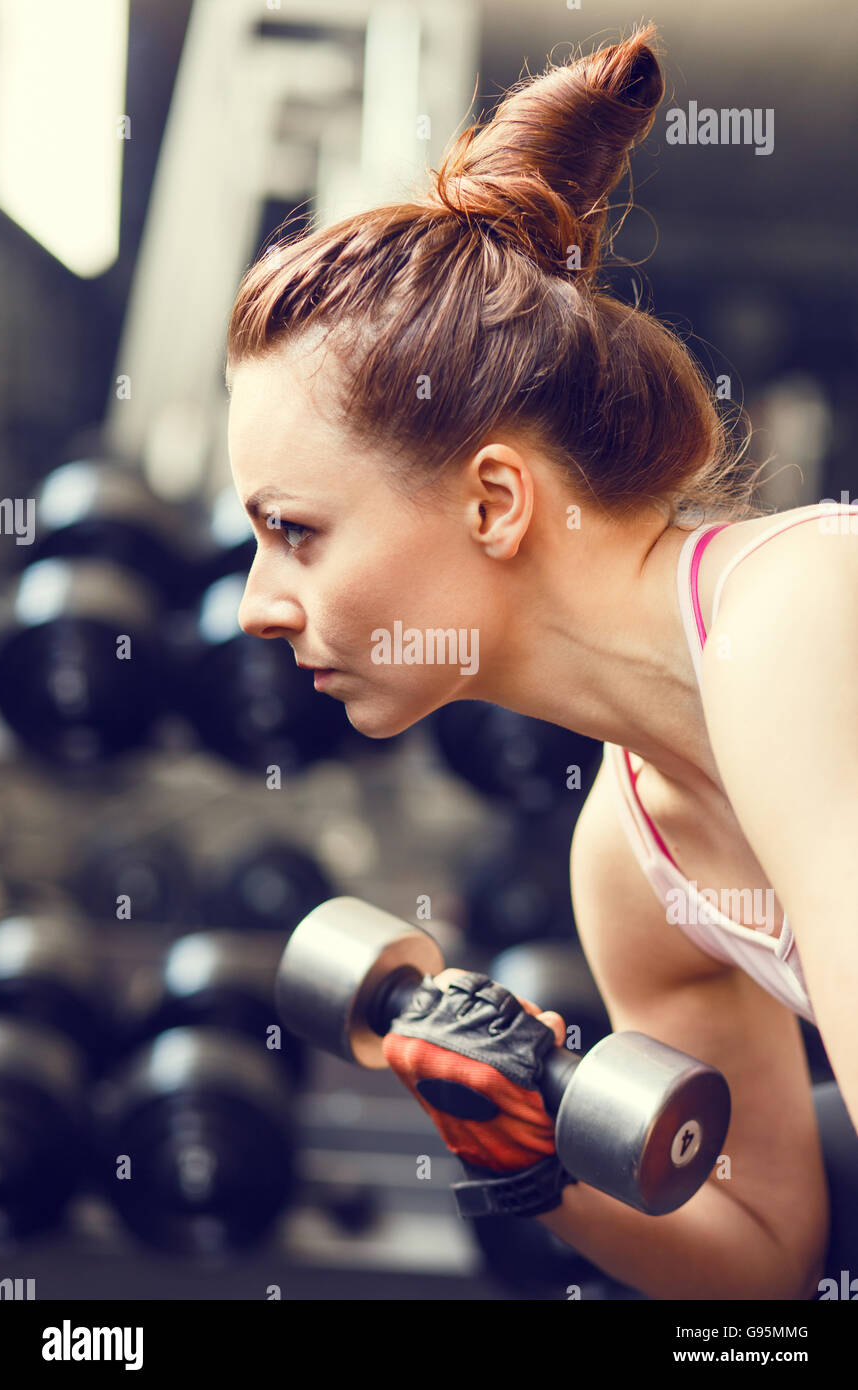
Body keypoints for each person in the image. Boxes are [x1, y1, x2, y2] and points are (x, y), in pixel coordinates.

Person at [224, 22, 858, 1299]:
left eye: (293, 532)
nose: (254, 607)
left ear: (496, 502)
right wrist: (524, 1151)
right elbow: (762, 1258)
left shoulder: (795, 614)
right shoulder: (631, 861)